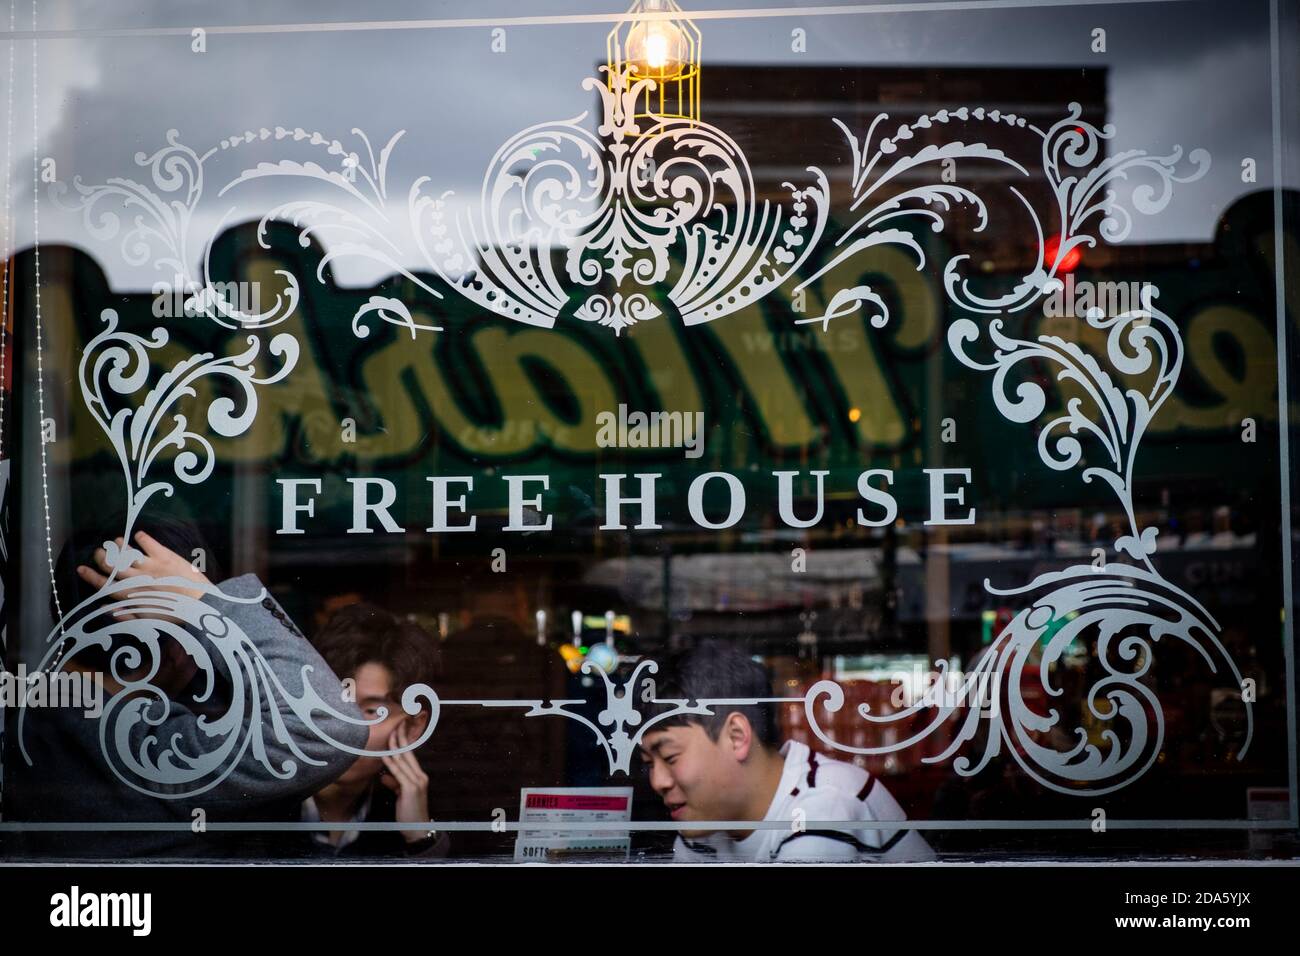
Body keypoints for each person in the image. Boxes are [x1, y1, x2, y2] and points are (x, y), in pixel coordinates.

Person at [2, 516, 369, 859]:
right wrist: (206, 603)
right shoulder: (159, 757)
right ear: (182, 646)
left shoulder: (20, 721)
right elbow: (327, 724)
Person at [639, 641, 936, 863]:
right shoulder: (707, 822)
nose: (658, 781)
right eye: (648, 763)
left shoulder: (822, 804)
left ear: (736, 736)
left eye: (669, 758)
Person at [300, 603, 448, 858]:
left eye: (371, 712)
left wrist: (420, 839)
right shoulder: (253, 811)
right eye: (331, 705)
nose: (344, 729)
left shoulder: (424, 810)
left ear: (414, 727)